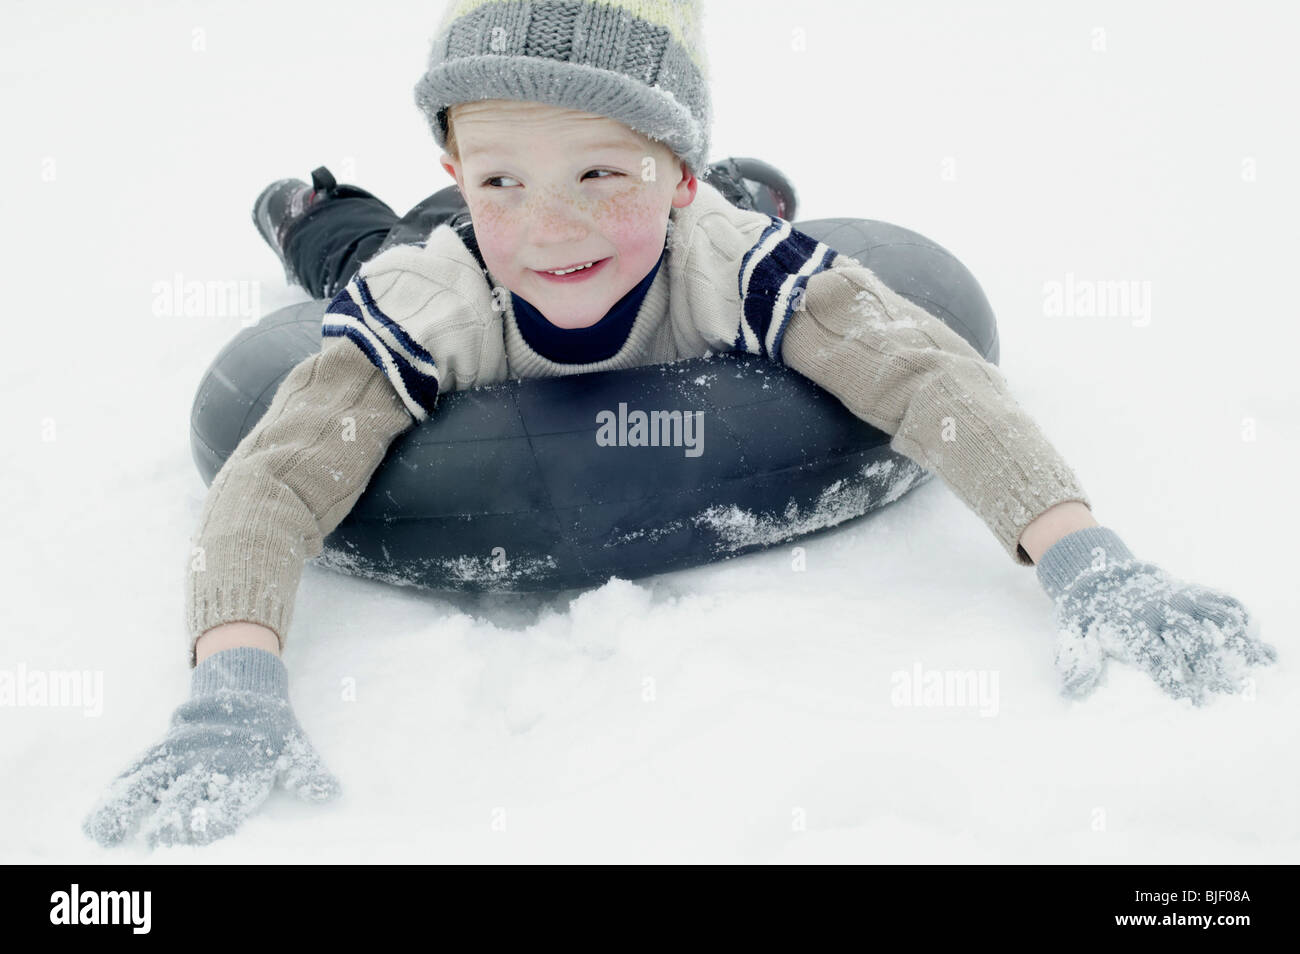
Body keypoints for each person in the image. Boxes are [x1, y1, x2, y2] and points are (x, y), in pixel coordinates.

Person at [82, 0, 1277, 850]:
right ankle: (315, 211)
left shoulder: (726, 260)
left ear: (676, 176)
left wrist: (1085, 559)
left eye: (603, 174)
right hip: (415, 254)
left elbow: (921, 372)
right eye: (499, 177)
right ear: (455, 157)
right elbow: (277, 472)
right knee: (367, 253)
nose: (551, 229)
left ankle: (731, 176)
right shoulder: (438, 292)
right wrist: (231, 684)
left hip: (708, 213)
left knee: (718, 218)